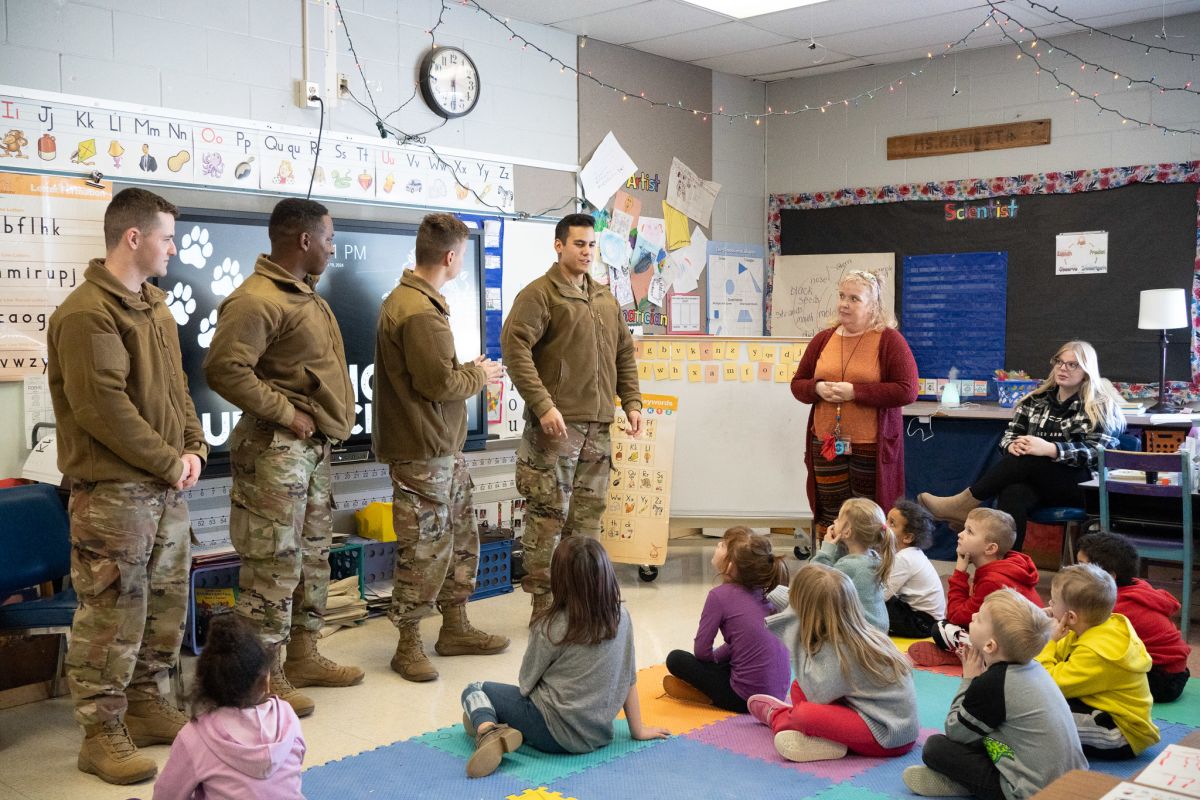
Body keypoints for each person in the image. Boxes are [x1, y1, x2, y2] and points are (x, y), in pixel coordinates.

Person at [48, 187, 208, 785]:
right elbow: (103, 410)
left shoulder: (156, 308)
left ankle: (142, 705)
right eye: (167, 238)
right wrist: (169, 461)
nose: (173, 248)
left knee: (163, 607)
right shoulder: (88, 312)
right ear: (133, 238)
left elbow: (178, 390)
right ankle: (100, 732)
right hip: (114, 493)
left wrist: (192, 447)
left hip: (164, 489)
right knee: (113, 613)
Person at [204, 198, 363, 719]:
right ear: (304, 241)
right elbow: (225, 369)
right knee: (274, 565)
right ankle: (262, 676)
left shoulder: (303, 294)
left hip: (311, 455)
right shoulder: (256, 299)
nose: (333, 247)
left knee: (313, 557)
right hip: (276, 452)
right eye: (329, 238)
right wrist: (286, 413)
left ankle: (305, 655)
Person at [374, 213, 508, 682]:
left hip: (441, 450)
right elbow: (439, 383)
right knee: (424, 550)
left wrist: (460, 371)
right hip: (423, 452)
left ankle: (455, 626)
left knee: (461, 541)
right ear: (451, 257)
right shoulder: (417, 311)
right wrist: (480, 375)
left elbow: (435, 375)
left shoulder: (419, 302)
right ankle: (407, 643)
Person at [501, 213, 641, 618]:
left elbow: (623, 355)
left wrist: (631, 402)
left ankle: (581, 599)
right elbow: (515, 351)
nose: (586, 251)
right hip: (557, 427)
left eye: (591, 245)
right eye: (578, 244)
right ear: (559, 245)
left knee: (587, 518)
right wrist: (543, 404)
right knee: (548, 516)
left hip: (598, 426)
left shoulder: (604, 298)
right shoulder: (539, 295)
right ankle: (543, 602)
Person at [458, 537, 668, 778]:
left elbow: (526, 683)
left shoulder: (550, 626)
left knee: (474, 691)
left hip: (551, 734)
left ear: (559, 580)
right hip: (598, 735)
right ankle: (494, 727)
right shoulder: (622, 616)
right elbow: (628, 677)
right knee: (474, 716)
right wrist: (638, 730)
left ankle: (488, 731)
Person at [919, 341, 1125, 550]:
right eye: (1059, 362)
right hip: (1038, 483)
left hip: (1082, 487)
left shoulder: (1100, 405)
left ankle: (965, 503)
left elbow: (1099, 454)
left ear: (1087, 372)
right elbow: (1009, 436)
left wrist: (1050, 449)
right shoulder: (1034, 401)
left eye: (1073, 365)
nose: (1063, 369)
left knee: (1030, 457)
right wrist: (1011, 446)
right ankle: (1009, 568)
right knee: (1013, 491)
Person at [903, 589, 1087, 800]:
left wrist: (969, 679)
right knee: (985, 730)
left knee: (936, 747)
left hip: (1031, 792)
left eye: (979, 618)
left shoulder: (994, 682)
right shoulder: (1034, 667)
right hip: (1073, 781)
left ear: (990, 645)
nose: (972, 617)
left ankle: (966, 785)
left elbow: (955, 732)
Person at [790, 270, 918, 541]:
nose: (844, 304)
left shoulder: (889, 340)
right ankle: (831, 576)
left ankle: (867, 572)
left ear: (874, 306)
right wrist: (817, 388)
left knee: (867, 516)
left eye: (854, 298)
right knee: (831, 513)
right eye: (841, 296)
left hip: (870, 445)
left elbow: (908, 390)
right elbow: (798, 384)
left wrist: (855, 392)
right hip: (826, 443)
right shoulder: (824, 339)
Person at [747, 563, 918, 763]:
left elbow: (816, 695)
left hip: (886, 736)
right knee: (797, 687)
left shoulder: (842, 651)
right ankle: (826, 740)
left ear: (806, 613)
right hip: (876, 715)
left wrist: (793, 629)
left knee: (804, 713)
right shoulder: (854, 629)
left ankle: (780, 717)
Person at [153, 613, 305, 800]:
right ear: (265, 680)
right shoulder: (287, 716)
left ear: (205, 684)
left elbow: (166, 795)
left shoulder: (195, 736)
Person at [1037, 563, 1159, 760]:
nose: (1049, 606)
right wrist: (1045, 634)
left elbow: (1048, 684)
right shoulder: (1091, 626)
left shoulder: (1096, 652)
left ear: (1071, 617)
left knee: (1040, 717)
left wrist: (1048, 642)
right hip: (1100, 708)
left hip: (1120, 732)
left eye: (1052, 602)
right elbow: (1056, 658)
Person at [662, 527, 790, 711]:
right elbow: (741, 643)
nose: (717, 545)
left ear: (730, 565)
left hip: (744, 700)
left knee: (675, 659)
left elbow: (701, 652)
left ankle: (703, 695)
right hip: (777, 693)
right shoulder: (766, 594)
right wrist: (718, 658)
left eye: (722, 545)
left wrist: (712, 661)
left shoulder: (718, 596)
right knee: (732, 658)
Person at [909, 508, 1042, 667]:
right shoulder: (1004, 566)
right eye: (964, 528)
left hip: (1015, 648)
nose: (960, 534)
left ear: (991, 548)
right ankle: (970, 654)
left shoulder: (993, 580)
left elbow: (956, 616)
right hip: (1023, 642)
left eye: (970, 532)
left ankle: (969, 656)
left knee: (941, 629)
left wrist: (959, 572)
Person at [1076, 532, 1191, 702]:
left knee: (1081, 672)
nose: (1075, 571)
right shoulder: (1134, 586)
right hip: (1175, 671)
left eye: (1082, 566)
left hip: (1162, 680)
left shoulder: (1115, 605)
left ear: (1109, 577)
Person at [884, 499, 945, 638]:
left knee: (873, 603)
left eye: (891, 523)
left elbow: (883, 595)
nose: (884, 526)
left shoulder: (904, 558)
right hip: (926, 620)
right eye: (886, 519)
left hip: (922, 624)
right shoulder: (910, 553)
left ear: (907, 537)